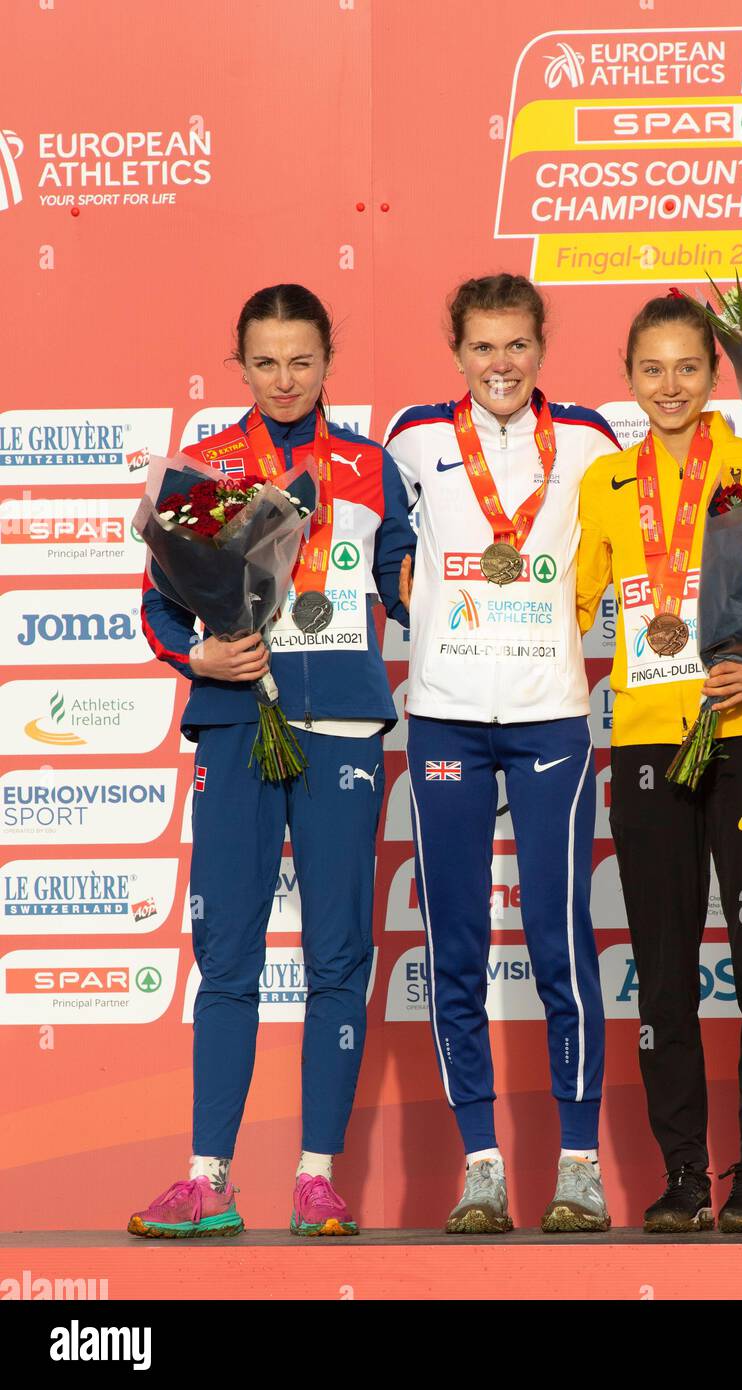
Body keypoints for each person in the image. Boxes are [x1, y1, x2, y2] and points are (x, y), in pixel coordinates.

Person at [129, 283, 415, 1239]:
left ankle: (316, 1177)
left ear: (328, 359)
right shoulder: (203, 470)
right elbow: (159, 607)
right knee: (229, 958)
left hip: (338, 728)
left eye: (302, 361)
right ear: (238, 364)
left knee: (338, 956)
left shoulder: (372, 468)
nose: (285, 380)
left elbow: (414, 588)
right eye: (265, 362)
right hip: (234, 721)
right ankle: (209, 1178)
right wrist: (198, 656)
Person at [577, 292, 742, 1235]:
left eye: (687, 366)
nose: (669, 385)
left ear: (716, 374)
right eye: (651, 368)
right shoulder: (604, 483)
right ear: (630, 376)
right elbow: (568, 605)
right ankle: (683, 1172)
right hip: (646, 745)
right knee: (663, 969)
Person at [386, 273, 622, 1233]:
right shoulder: (413, 438)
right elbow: (365, 546)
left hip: (550, 716)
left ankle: (578, 1164)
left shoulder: (595, 439)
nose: (500, 365)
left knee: (562, 938)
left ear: (541, 346)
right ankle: (479, 1163)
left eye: (517, 344)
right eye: (482, 346)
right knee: (456, 946)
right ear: (456, 353)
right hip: (443, 714)